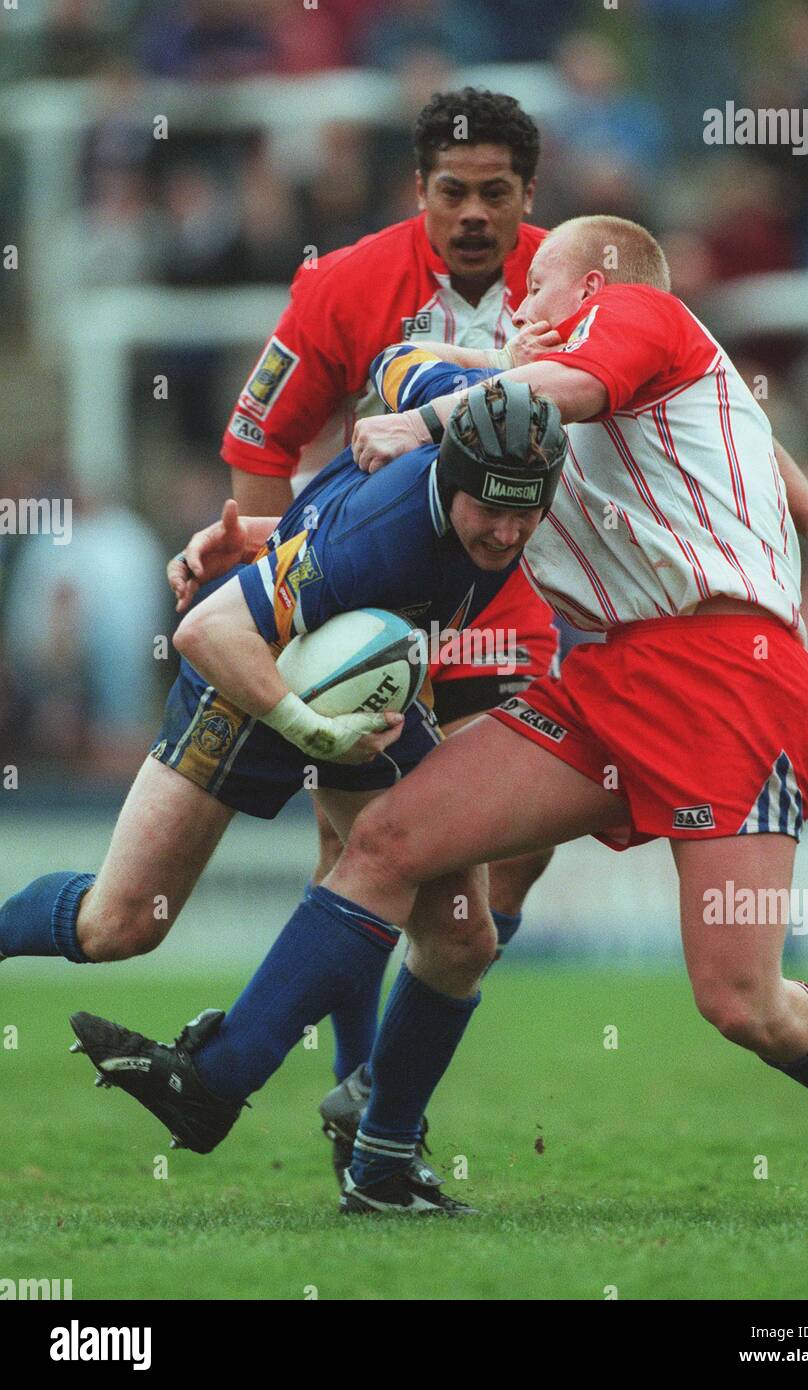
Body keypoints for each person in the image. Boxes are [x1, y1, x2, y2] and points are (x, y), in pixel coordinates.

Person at [64, 217, 808, 1215]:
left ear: (598, 282)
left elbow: (549, 393)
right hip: (604, 674)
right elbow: (425, 414)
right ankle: (248, 1094)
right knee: (388, 841)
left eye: (542, 284)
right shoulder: (520, 384)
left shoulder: (636, 317)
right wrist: (265, 535)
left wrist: (429, 418)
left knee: (743, 1002)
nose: (522, 301)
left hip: (729, 679)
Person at [5, 376, 566, 1213]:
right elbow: (207, 629)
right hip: (249, 683)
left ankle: (376, 1167)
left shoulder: (471, 415)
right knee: (120, 924)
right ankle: (223, 1078)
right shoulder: (387, 538)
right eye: (491, 509)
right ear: (451, 476)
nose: (509, 531)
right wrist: (306, 724)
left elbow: (406, 363)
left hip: (353, 691)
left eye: (528, 512)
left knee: (459, 932)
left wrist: (284, 531)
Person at [176, 88, 567, 1169]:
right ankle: (370, 1108)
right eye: (454, 192)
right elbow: (263, 432)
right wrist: (271, 565)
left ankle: (376, 1076)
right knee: (362, 849)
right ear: (418, 192)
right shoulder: (346, 282)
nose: (475, 212)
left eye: (497, 192)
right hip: (375, 606)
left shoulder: (575, 283)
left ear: (529, 197)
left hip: (522, 609)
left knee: (511, 859)